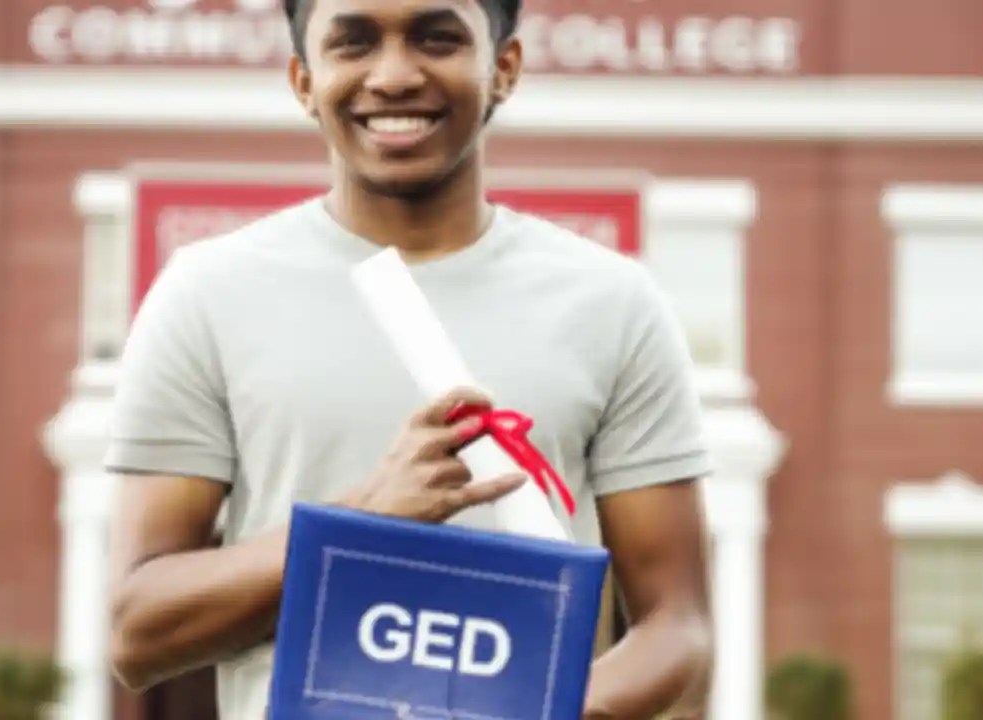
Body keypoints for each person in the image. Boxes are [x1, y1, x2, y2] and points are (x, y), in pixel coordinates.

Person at [103, 0, 715, 717]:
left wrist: (543, 711)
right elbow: (137, 631)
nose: (393, 76)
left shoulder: (613, 302)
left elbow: (678, 625)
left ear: (504, 69)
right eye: (354, 43)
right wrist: (364, 519)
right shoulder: (205, 294)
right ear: (304, 80)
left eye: (437, 38)